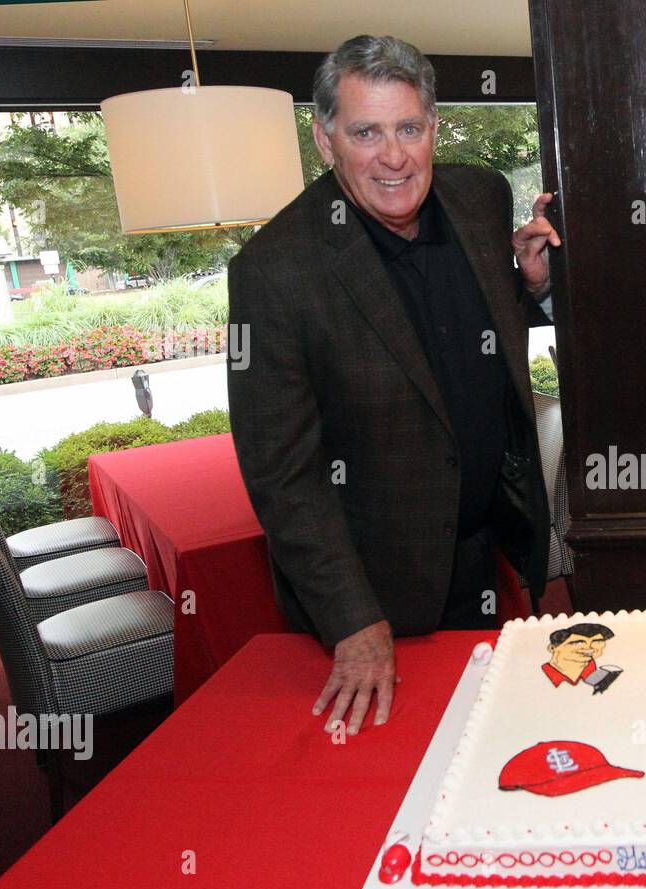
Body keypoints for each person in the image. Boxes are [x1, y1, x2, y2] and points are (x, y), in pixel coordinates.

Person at [227, 35, 560, 736]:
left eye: (409, 128)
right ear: (325, 140)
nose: (394, 155)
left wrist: (530, 290)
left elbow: (463, 332)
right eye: (366, 132)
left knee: (487, 754)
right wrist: (352, 619)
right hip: (378, 593)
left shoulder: (477, 197)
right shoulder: (274, 272)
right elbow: (282, 475)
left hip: (484, 554)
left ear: (434, 127)